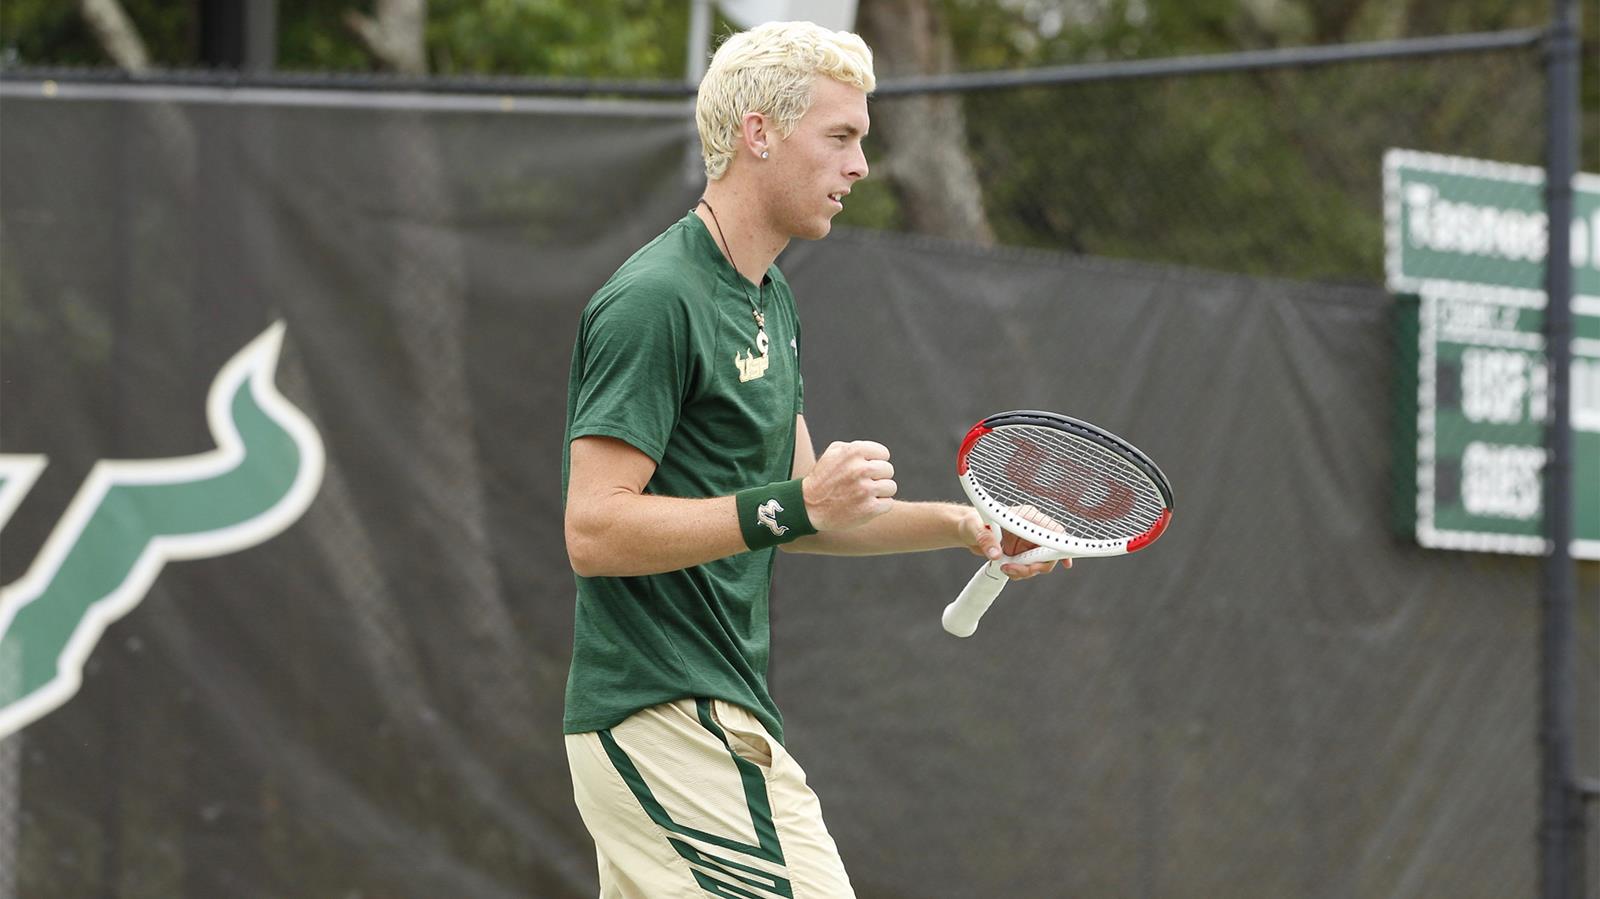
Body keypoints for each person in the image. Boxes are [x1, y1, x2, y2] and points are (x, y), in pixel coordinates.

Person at [561, 20, 1065, 898]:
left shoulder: (770, 298)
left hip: (711, 718)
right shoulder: (654, 299)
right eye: (840, 137)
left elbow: (803, 517)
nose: (861, 166)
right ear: (759, 134)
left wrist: (966, 525)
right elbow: (594, 528)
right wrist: (797, 505)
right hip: (664, 716)